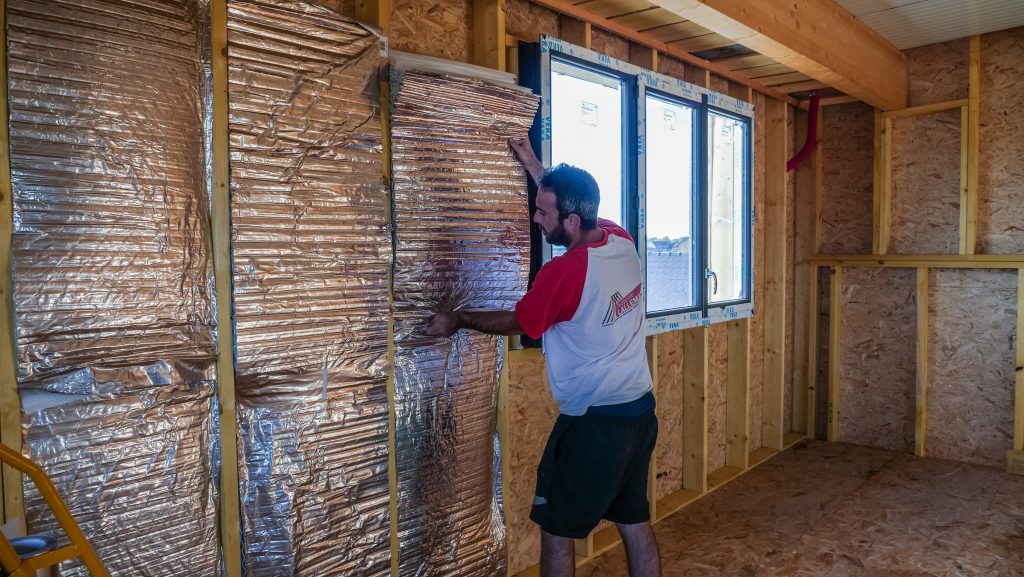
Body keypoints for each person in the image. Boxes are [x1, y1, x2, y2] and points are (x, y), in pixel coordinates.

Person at [425, 138, 661, 577]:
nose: (534, 218)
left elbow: (522, 322)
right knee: (633, 521)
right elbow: (564, 204)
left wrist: (457, 319)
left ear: (572, 220)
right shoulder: (620, 240)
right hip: (639, 414)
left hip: (596, 423)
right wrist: (535, 167)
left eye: (542, 212)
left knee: (556, 529)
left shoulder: (565, 272)